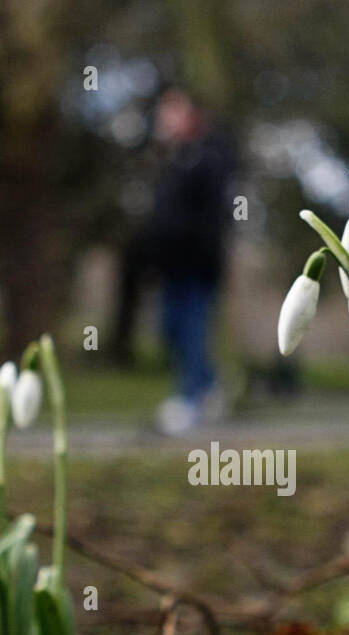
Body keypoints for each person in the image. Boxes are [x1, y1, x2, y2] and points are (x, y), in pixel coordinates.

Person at [117, 88, 234, 435]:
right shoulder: (170, 162)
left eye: (173, 113)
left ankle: (191, 401)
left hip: (197, 265)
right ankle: (210, 386)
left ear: (192, 117)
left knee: (191, 330)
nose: (165, 121)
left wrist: (200, 251)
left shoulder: (207, 158)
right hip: (169, 267)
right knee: (170, 329)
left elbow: (211, 216)